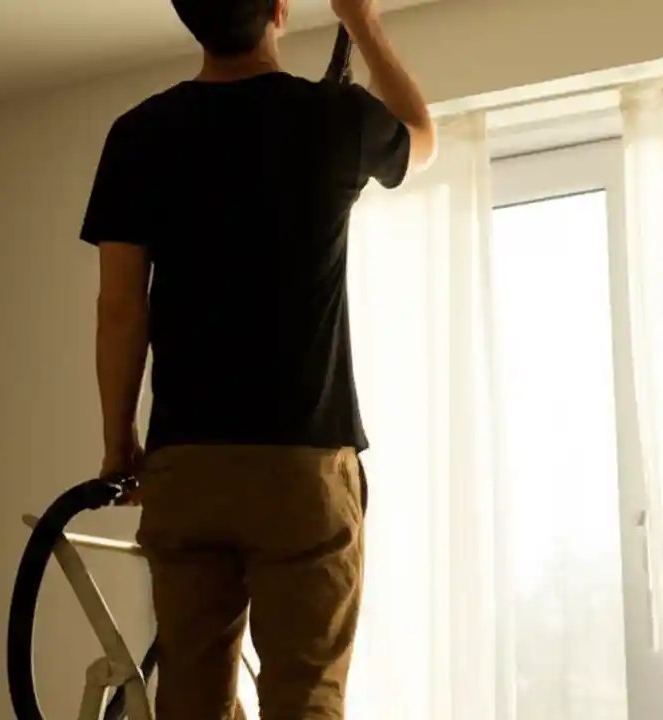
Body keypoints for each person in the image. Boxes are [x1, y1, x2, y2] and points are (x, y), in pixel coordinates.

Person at [79, 0, 435, 717]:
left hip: (188, 466)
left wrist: (121, 441)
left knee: (190, 700)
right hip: (300, 470)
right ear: (278, 10)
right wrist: (362, 23)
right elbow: (422, 139)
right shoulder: (333, 119)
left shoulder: (140, 133)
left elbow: (122, 308)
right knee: (305, 698)